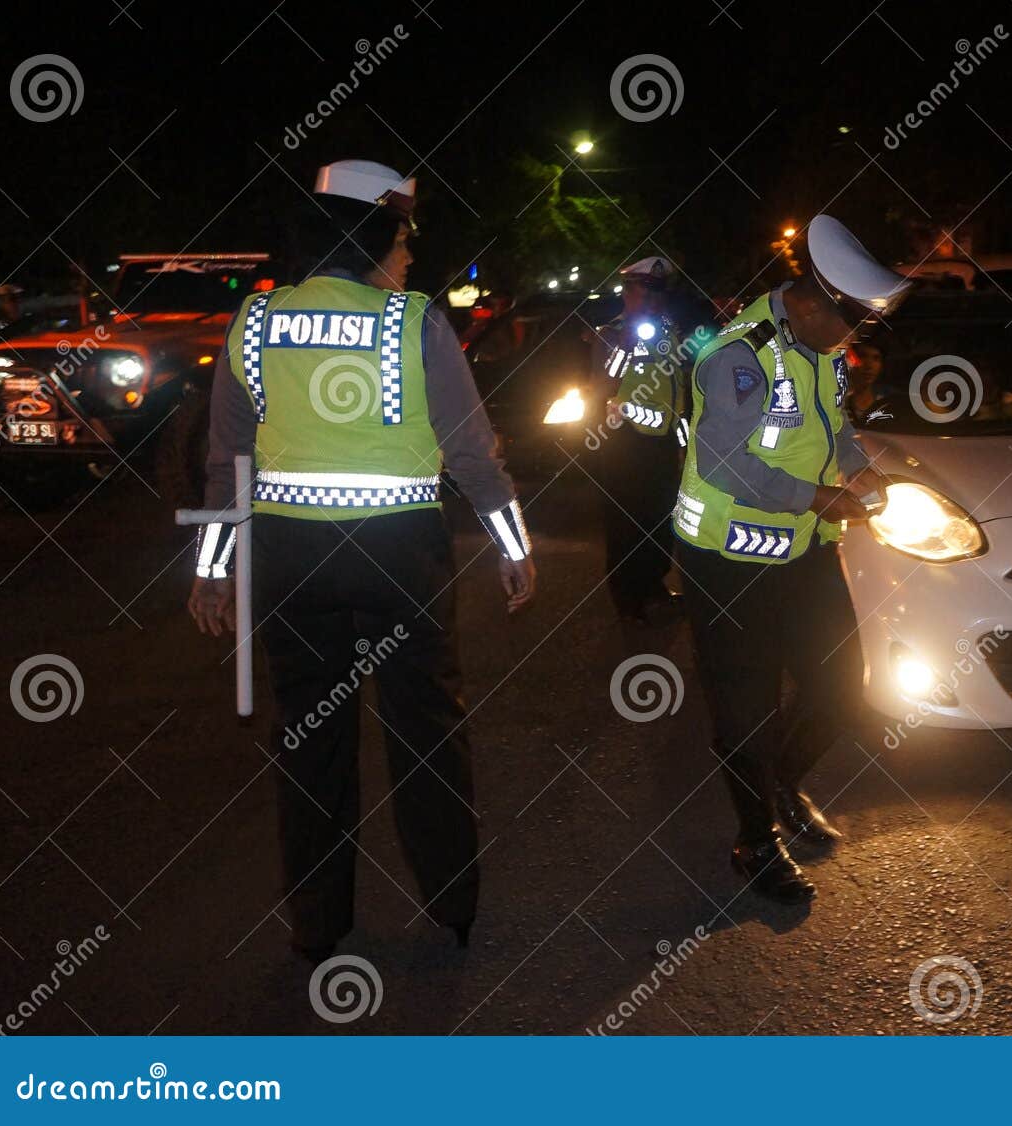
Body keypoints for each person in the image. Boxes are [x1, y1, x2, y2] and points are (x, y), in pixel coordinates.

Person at [186, 160, 535, 964]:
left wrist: (211, 568)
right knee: (427, 729)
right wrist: (512, 548)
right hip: (398, 555)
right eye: (404, 235)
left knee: (309, 739)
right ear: (374, 237)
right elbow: (472, 456)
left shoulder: (256, 321)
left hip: (289, 557)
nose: (410, 253)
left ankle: (317, 924)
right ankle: (453, 906)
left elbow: (227, 464)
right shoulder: (414, 324)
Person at [673, 214, 908, 904]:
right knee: (744, 712)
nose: (855, 338)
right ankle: (755, 839)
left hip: (803, 551)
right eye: (850, 323)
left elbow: (835, 427)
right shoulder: (738, 356)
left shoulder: (823, 347)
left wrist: (860, 472)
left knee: (841, 689)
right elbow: (719, 462)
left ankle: (781, 781)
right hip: (727, 562)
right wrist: (816, 498)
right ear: (807, 303)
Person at [589, 256, 696, 624]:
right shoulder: (610, 334)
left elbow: (677, 394)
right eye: (646, 291)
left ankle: (654, 587)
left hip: (663, 443)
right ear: (628, 291)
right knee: (626, 524)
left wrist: (683, 443)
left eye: (659, 292)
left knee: (661, 519)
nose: (653, 300)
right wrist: (625, 345)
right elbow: (600, 388)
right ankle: (628, 598)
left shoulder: (670, 334)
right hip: (625, 445)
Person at [843, 341, 884, 424]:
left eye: (876, 358)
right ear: (850, 360)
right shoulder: (838, 404)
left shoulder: (884, 406)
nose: (869, 365)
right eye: (862, 356)